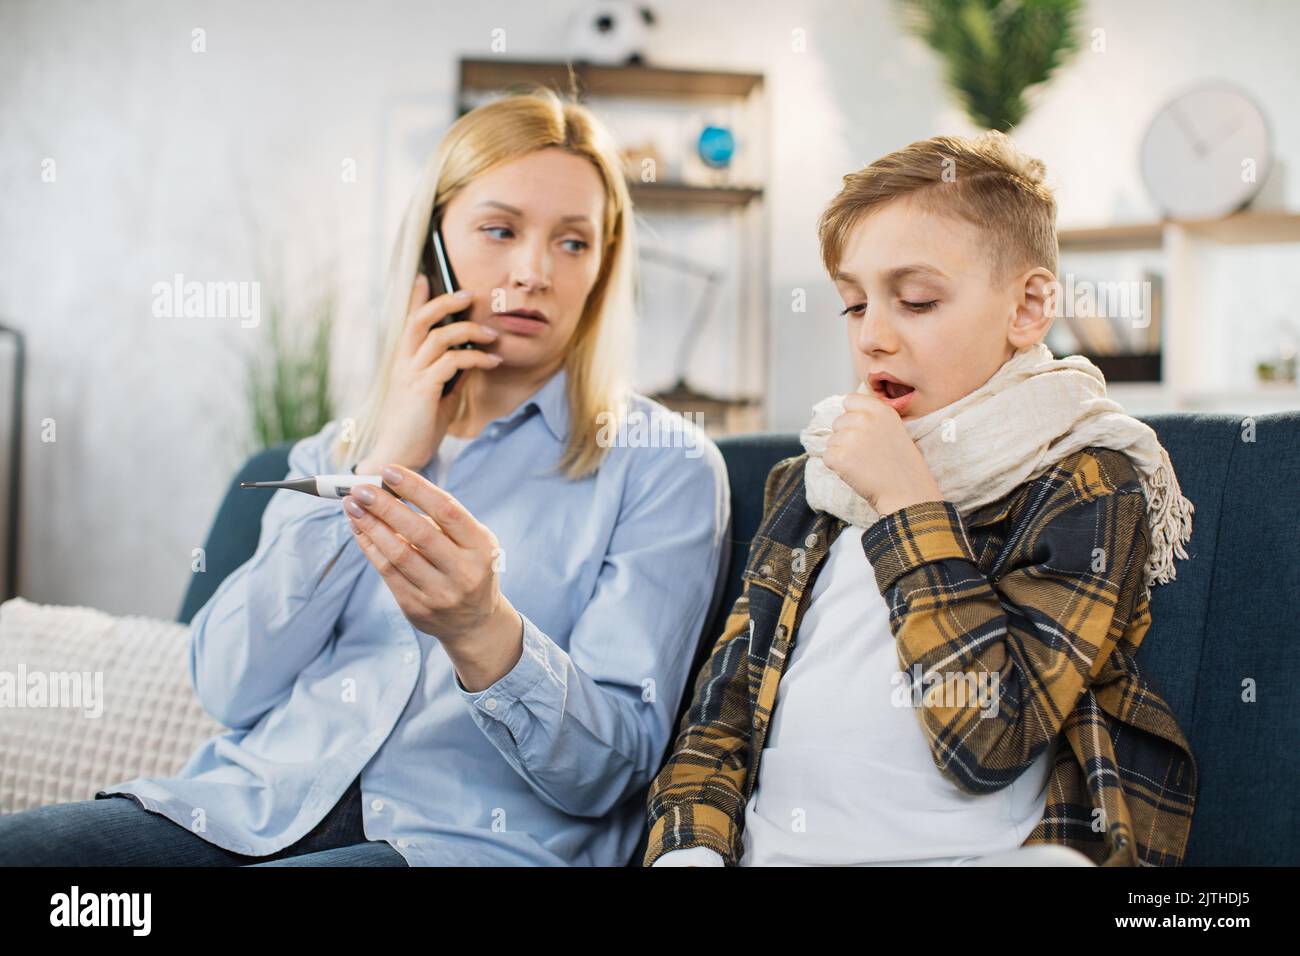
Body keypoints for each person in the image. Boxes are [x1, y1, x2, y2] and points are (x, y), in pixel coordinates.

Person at [0, 89, 729, 867]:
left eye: (573, 243)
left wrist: (483, 630)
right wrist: (379, 464)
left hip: (455, 845)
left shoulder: (666, 466)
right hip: (248, 810)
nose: (534, 272)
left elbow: (610, 774)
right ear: (433, 248)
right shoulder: (337, 449)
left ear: (603, 266)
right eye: (499, 229)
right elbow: (227, 685)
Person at [645, 131, 1197, 867]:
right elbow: (720, 718)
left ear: (1028, 307)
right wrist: (691, 854)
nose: (873, 336)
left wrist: (906, 499)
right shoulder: (810, 482)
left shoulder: (1085, 475)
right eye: (852, 304)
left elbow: (987, 741)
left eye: (916, 300)